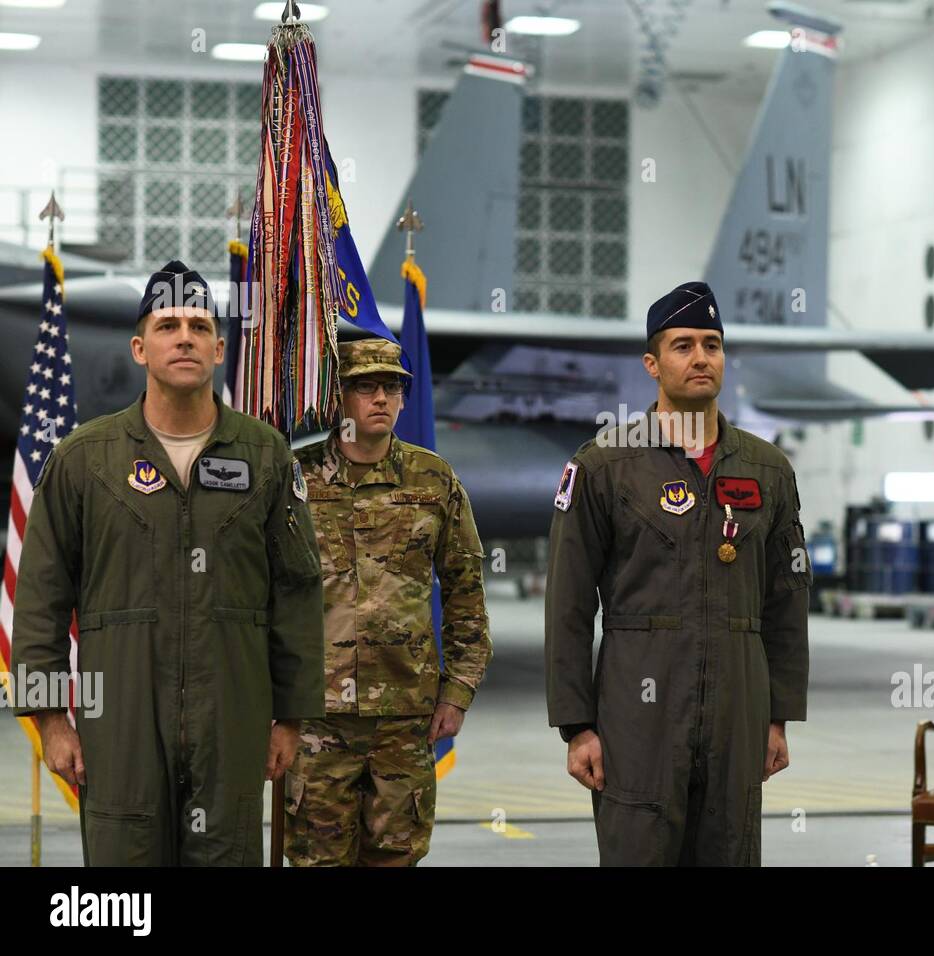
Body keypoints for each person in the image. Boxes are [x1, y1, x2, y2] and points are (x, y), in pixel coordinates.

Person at [12, 259, 324, 866]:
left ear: (219, 348)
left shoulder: (265, 459)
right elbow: (41, 598)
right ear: (139, 347)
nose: (184, 336)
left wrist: (290, 718)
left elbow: (297, 592)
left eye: (199, 326)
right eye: (167, 324)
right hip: (120, 727)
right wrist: (51, 719)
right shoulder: (85, 460)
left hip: (231, 726)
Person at [545, 281, 811, 866]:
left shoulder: (768, 470)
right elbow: (567, 604)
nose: (700, 358)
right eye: (683, 345)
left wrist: (777, 716)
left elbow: (786, 601)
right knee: (639, 848)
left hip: (737, 709)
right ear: (652, 363)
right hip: (637, 710)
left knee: (730, 850)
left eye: (712, 345)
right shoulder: (605, 466)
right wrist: (577, 726)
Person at [285, 338, 492, 866]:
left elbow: (467, 591)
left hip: (405, 718)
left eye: (393, 387)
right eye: (365, 386)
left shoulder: (434, 481)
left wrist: (458, 692)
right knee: (316, 861)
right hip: (316, 719)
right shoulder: (294, 479)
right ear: (339, 397)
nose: (382, 398)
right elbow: (266, 593)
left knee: (396, 859)